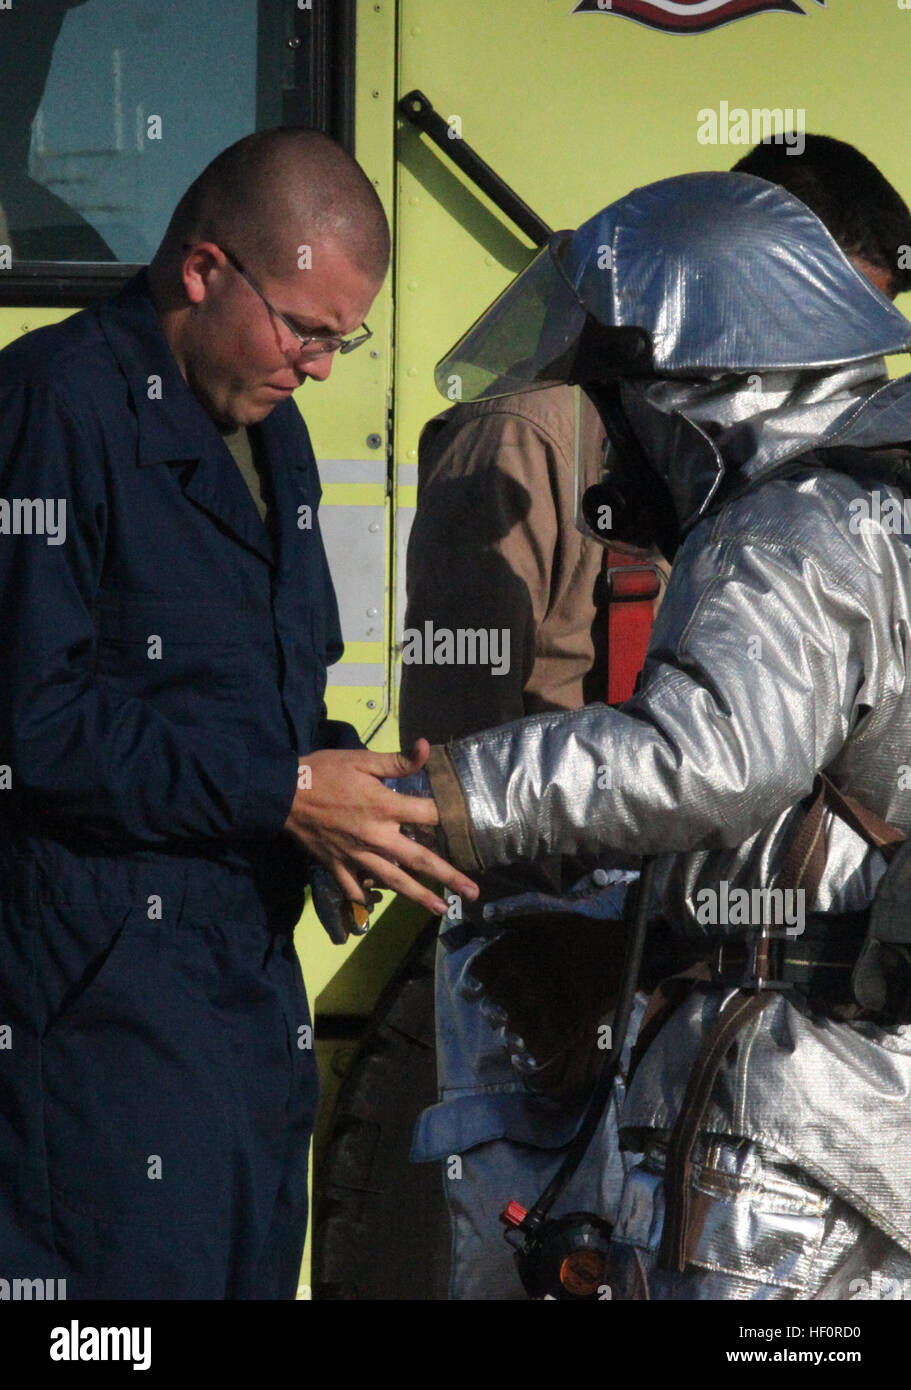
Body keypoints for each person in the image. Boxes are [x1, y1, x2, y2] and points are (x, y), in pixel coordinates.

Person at [400, 137, 911, 1300]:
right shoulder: (873, 500)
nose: (607, 428)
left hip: (788, 1142)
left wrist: (445, 798)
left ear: (694, 393)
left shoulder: (789, 531)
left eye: (617, 394)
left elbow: (708, 761)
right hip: (857, 1109)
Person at [0, 126, 475, 1301]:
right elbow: (33, 720)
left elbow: (267, 698)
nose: (319, 366)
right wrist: (282, 793)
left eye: (341, 337)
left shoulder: (277, 435)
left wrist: (350, 805)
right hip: (96, 1004)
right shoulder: (51, 407)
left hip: (244, 999)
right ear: (205, 268)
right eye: (304, 328)